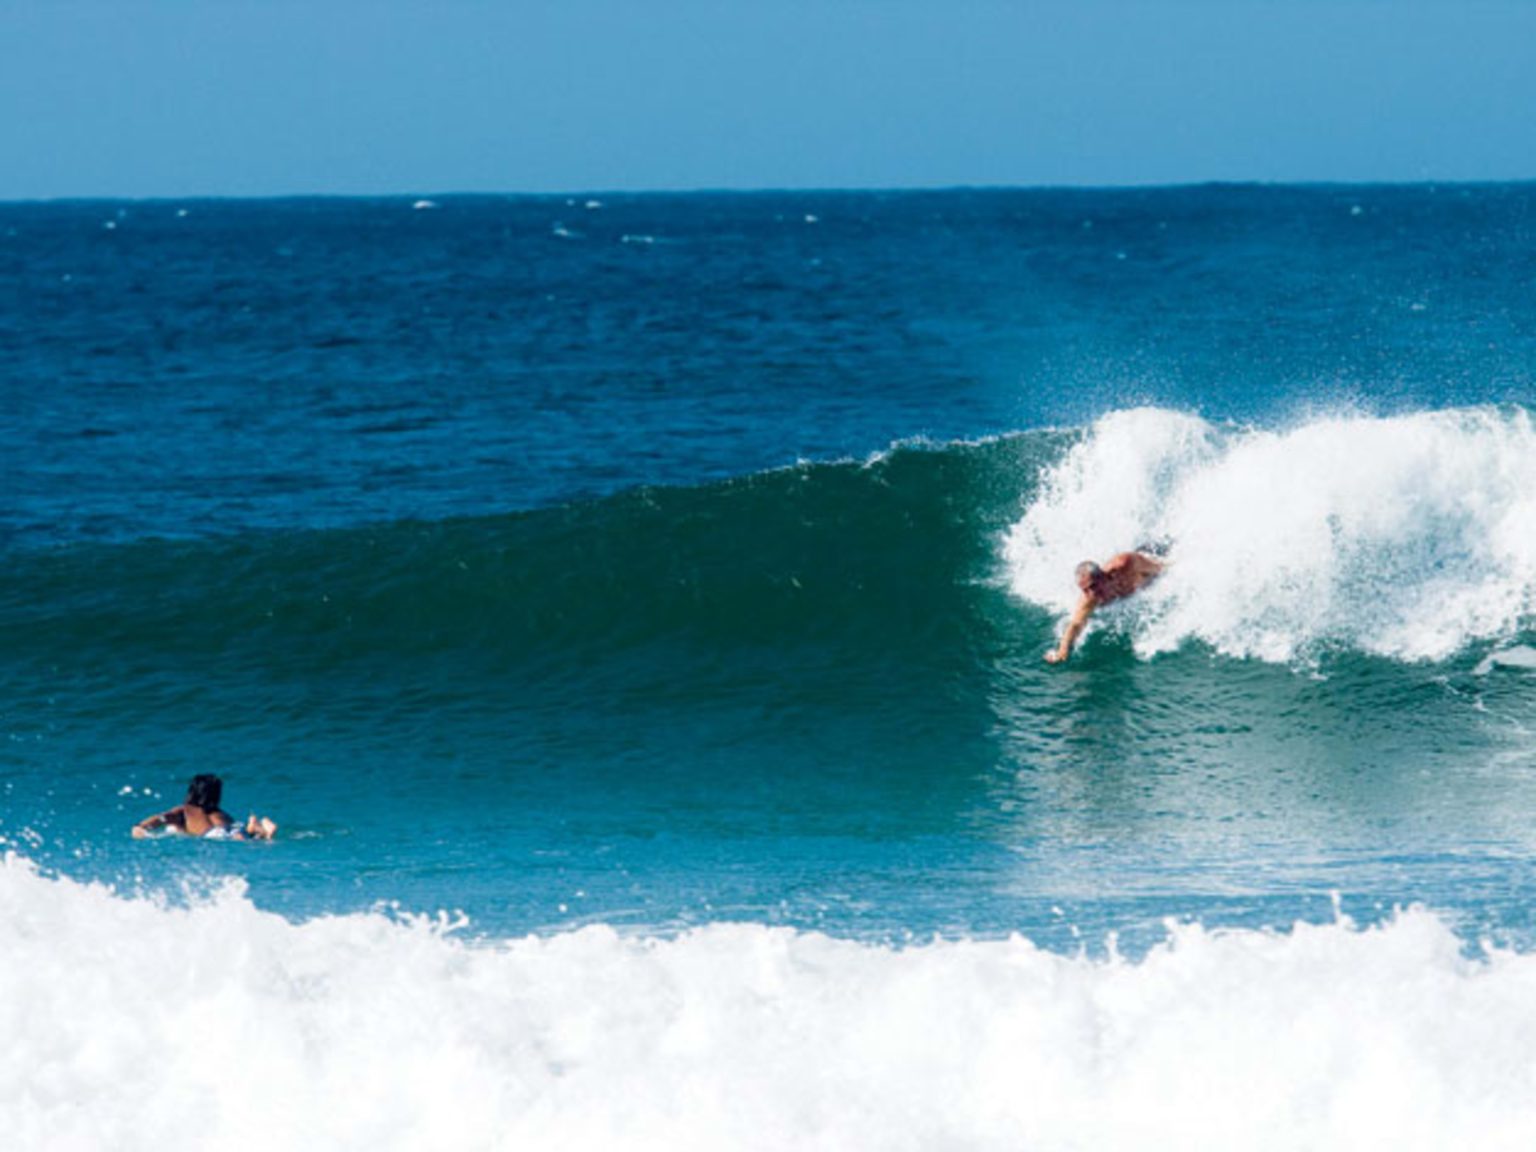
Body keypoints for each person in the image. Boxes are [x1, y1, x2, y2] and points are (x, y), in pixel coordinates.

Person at [1044, 550, 1165, 664]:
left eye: (1093, 586)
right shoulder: (1090, 598)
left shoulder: (1125, 564)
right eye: (1085, 590)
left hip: (1151, 557)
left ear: (1102, 576)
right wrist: (1062, 651)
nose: (1091, 593)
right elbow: (1076, 624)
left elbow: (1159, 567)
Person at [132, 773, 277, 840]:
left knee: (233, 837)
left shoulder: (184, 810)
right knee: (242, 834)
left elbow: (161, 818)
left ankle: (255, 829)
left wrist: (141, 826)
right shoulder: (220, 813)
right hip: (233, 828)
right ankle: (257, 827)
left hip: (213, 834)